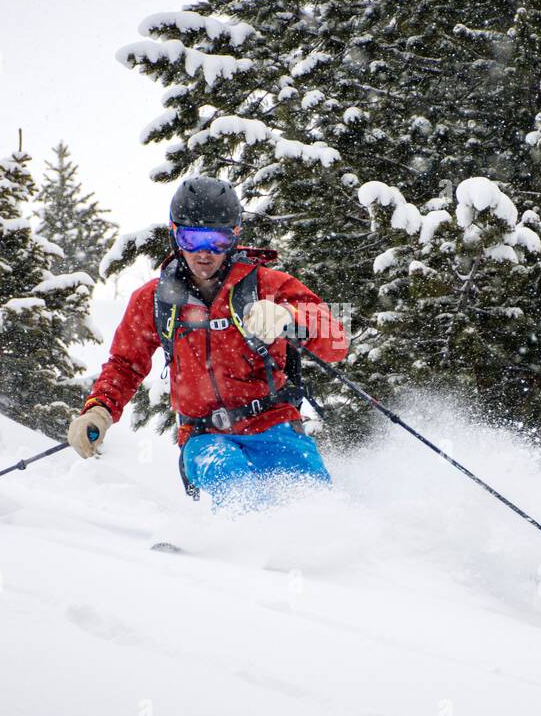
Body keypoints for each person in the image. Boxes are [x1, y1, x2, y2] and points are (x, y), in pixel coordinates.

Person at [67, 176, 349, 509]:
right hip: (204, 436)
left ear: (234, 237)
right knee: (234, 484)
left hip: (274, 424)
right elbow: (125, 364)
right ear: (175, 235)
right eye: (192, 238)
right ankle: (234, 549)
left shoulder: (267, 285)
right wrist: (99, 409)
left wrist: (289, 317)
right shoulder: (154, 300)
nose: (204, 253)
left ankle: (325, 552)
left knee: (315, 502)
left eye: (217, 240)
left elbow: (336, 340)